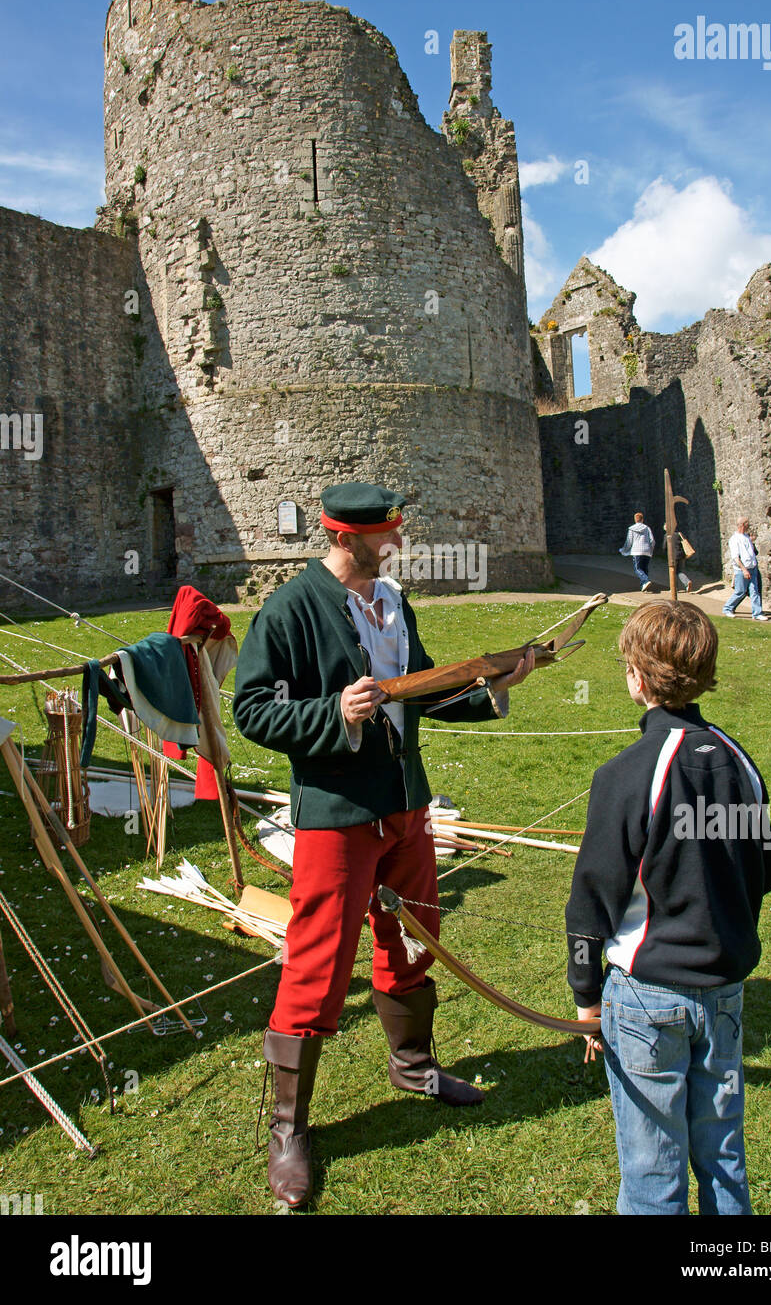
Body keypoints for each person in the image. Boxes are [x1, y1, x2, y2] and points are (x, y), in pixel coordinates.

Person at [233, 481, 534, 1208]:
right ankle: (288, 1130)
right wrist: (331, 711)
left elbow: (423, 692)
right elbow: (251, 708)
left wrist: (495, 683)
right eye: (386, 536)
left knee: (415, 937)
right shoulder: (289, 609)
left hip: (406, 805)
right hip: (337, 814)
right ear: (345, 538)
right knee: (318, 960)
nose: (397, 543)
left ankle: (414, 1064)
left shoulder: (393, 600)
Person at [564, 601, 771, 1215]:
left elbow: (591, 903)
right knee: (723, 1160)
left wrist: (586, 996)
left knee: (653, 1174)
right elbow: (763, 875)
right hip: (724, 988)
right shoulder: (742, 766)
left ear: (637, 676)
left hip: (646, 997)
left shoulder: (627, 775)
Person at [723, 517, 768, 621]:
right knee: (740, 592)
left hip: (752, 568)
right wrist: (744, 570)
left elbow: (751, 553)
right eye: (748, 523)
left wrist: (754, 565)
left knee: (755, 591)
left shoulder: (746, 537)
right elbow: (735, 557)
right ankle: (727, 608)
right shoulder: (734, 539)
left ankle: (757, 613)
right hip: (741, 570)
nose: (749, 525)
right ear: (743, 525)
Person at [619, 512, 655, 592]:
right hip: (647, 551)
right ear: (642, 519)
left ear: (635, 519)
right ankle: (644, 586)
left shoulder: (631, 529)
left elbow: (629, 542)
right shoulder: (647, 528)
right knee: (644, 569)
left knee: (637, 569)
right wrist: (651, 550)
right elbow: (652, 541)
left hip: (636, 551)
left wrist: (623, 550)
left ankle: (645, 581)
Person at [663, 524, 692, 593]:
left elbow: (664, 546)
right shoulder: (679, 534)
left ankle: (674, 588)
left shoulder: (667, 535)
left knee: (673, 572)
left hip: (673, 556)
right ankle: (687, 583)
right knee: (679, 571)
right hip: (681, 555)